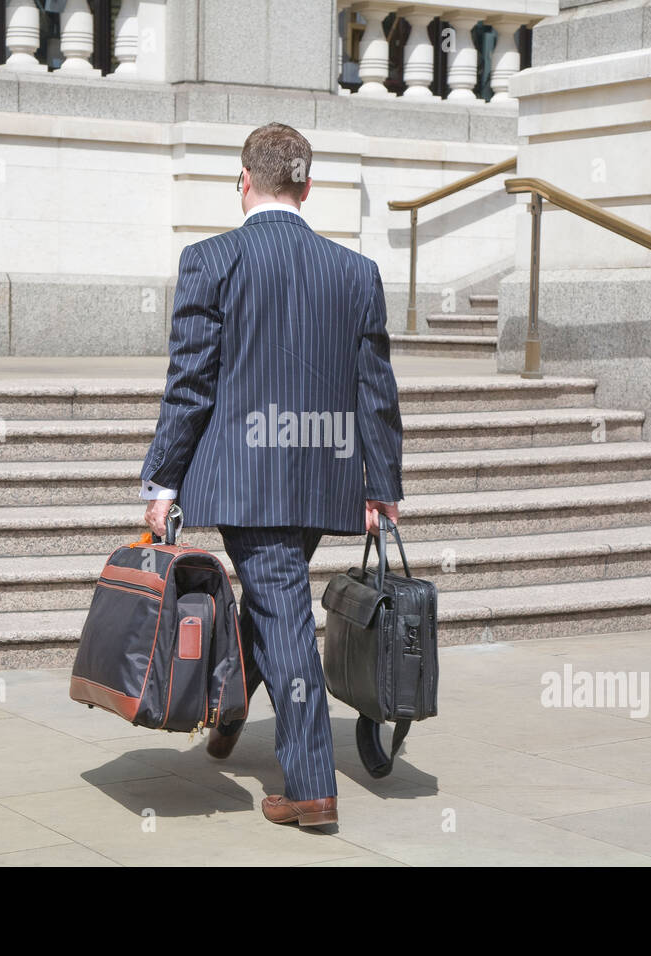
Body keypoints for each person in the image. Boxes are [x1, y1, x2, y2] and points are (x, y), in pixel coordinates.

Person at [138, 122, 403, 829]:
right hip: (325, 472)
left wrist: (161, 482)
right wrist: (383, 485)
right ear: (307, 188)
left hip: (248, 476)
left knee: (281, 610)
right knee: (272, 599)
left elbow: (190, 383)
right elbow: (375, 389)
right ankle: (229, 706)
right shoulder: (355, 273)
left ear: (244, 182)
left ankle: (313, 784)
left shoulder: (210, 260)